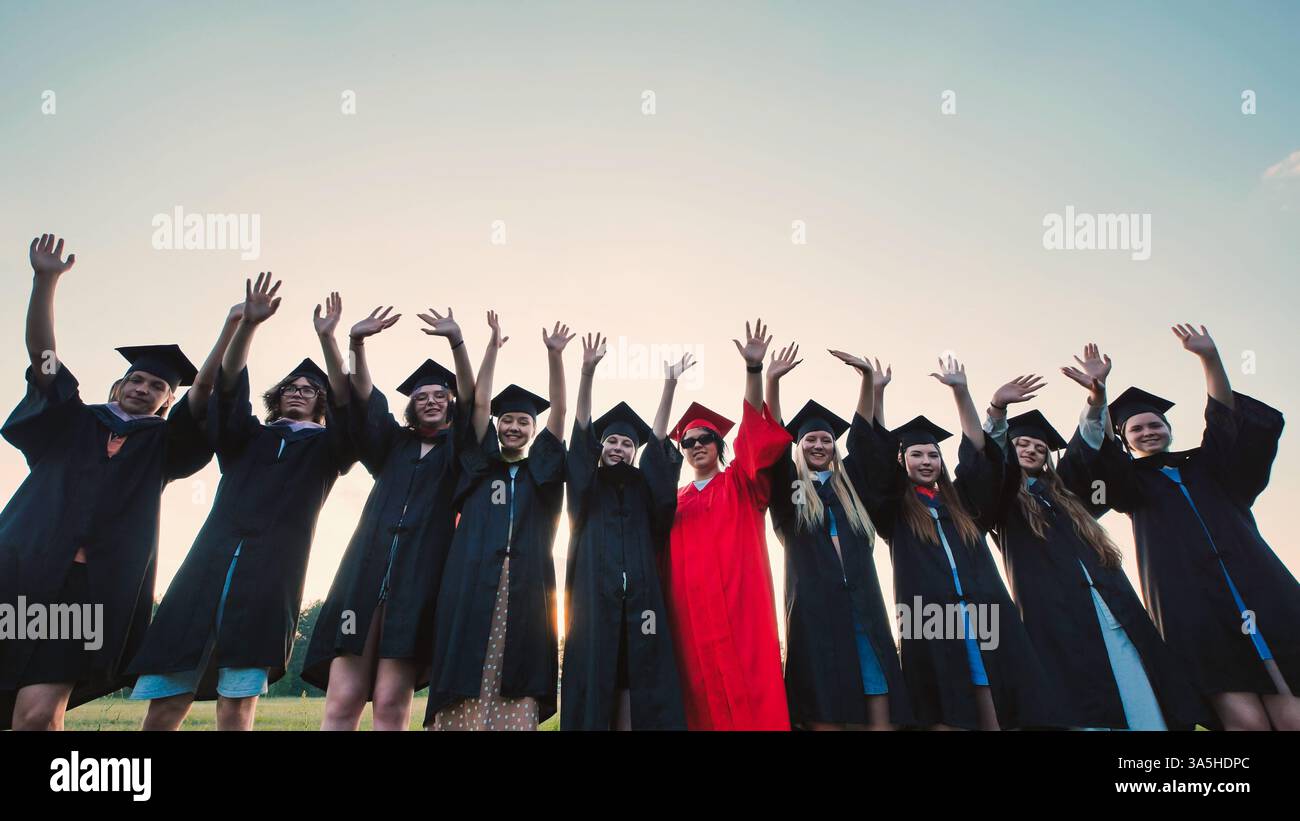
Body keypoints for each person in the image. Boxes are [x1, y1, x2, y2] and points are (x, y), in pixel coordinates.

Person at [1, 234, 225, 731]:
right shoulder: (71, 422)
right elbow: (44, 359)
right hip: (17, 574)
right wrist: (45, 281)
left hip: (89, 590)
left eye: (158, 387)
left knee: (38, 712)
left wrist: (233, 327)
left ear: (167, 401)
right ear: (118, 385)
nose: (144, 389)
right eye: (137, 381)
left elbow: (205, 390)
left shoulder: (163, 447)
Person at [127, 277, 356, 730]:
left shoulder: (329, 449)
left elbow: (352, 409)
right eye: (290, 386)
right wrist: (246, 326)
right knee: (168, 700)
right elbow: (228, 391)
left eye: (309, 389)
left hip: (270, 581)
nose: (297, 391)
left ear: (322, 403)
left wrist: (328, 340)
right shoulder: (247, 438)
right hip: (205, 571)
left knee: (236, 706)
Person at [1064, 330, 1300, 730]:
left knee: (1291, 712)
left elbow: (1225, 420)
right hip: (1192, 606)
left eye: (1154, 424)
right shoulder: (1131, 485)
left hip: (1263, 592)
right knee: (1245, 722)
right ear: (1124, 439)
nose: (1148, 431)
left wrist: (1210, 360)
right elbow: (1100, 461)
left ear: (1169, 427)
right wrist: (1098, 398)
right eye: (1135, 429)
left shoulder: (1213, 467)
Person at [983, 369, 1208, 730]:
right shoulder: (1002, 499)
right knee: (1079, 696)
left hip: (1112, 603)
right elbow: (988, 464)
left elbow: (1083, 448)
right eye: (1022, 444)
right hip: (1054, 613)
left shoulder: (1068, 493)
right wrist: (997, 412)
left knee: (1139, 684)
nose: (1032, 451)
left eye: (1040, 449)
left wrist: (1096, 401)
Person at [859, 356, 1061, 730]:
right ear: (902, 460)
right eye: (916, 454)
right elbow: (875, 463)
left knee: (995, 695)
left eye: (933, 454)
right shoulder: (894, 510)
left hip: (985, 607)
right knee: (944, 705)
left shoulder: (965, 502)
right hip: (927, 613)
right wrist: (876, 394)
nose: (926, 460)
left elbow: (979, 455)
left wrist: (964, 394)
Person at [305, 305, 475, 730]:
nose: (431, 401)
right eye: (421, 397)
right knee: (342, 699)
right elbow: (359, 397)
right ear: (411, 408)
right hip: (363, 574)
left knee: (389, 703)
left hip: (420, 581)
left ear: (451, 404)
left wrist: (457, 342)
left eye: (440, 396)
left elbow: (478, 401)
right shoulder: (390, 447)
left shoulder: (460, 453)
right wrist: (354, 343)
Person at [424, 313, 570, 730]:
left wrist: (554, 356)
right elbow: (479, 403)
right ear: (497, 425)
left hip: (526, 586)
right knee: (464, 663)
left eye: (524, 421)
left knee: (517, 667)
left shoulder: (541, 472)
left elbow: (558, 412)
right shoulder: (478, 465)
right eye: (508, 420)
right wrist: (491, 347)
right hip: (469, 582)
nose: (514, 426)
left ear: (533, 430)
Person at [763, 346, 912, 730]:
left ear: (834, 448)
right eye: (810, 439)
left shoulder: (853, 488)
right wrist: (772, 381)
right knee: (820, 692)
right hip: (813, 608)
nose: (818, 445)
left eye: (826, 440)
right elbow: (773, 446)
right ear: (799, 446)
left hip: (863, 602)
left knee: (875, 679)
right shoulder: (790, 491)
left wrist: (868, 383)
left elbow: (865, 439)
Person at [661, 318, 792, 730]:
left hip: (743, 618)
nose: (698, 446)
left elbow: (756, 436)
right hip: (691, 625)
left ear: (720, 445)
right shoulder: (673, 504)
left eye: (706, 439)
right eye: (689, 442)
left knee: (755, 699)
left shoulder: (740, 483)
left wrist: (754, 373)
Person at [560, 332, 690, 730]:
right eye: (611, 441)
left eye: (626, 443)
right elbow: (581, 434)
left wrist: (669, 385)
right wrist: (586, 373)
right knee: (598, 682)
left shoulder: (643, 491)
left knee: (641, 681)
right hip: (593, 604)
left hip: (642, 605)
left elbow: (659, 448)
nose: (618, 447)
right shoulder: (586, 487)